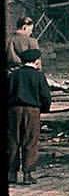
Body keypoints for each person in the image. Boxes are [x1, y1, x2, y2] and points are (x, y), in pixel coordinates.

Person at [8, 48, 52, 184]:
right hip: (32, 110)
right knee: (30, 142)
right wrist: (44, 109)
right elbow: (46, 96)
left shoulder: (13, 75)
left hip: (13, 110)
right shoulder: (39, 76)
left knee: (12, 141)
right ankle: (27, 174)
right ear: (36, 61)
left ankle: (11, 174)